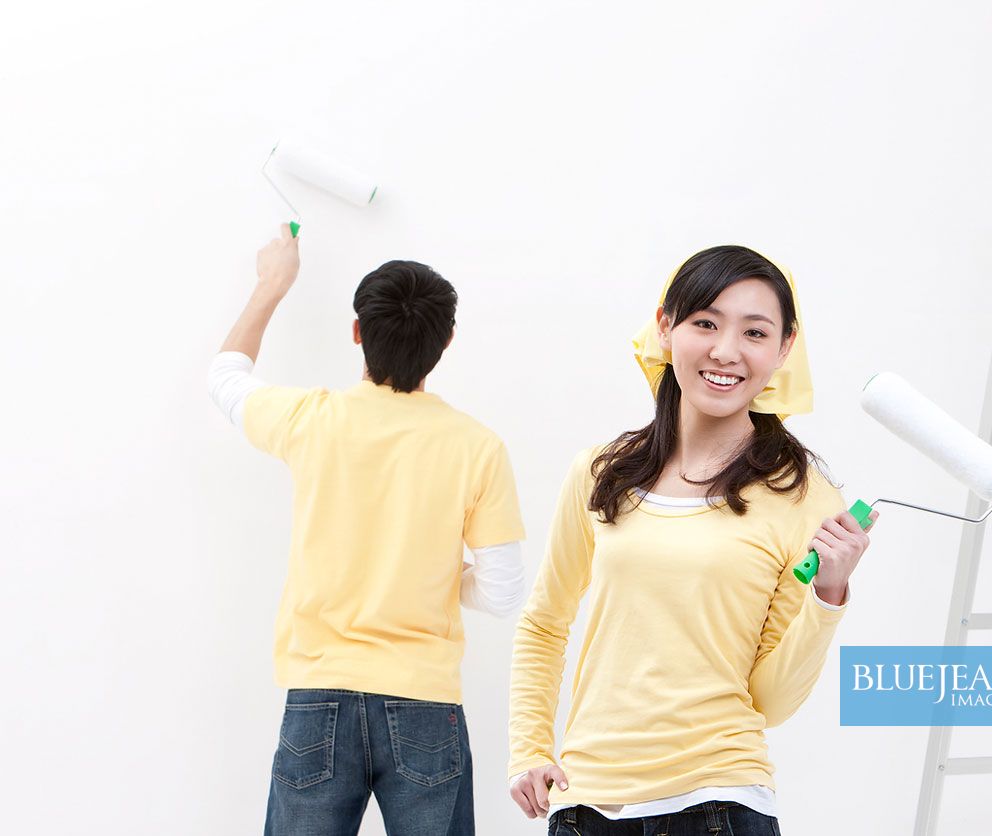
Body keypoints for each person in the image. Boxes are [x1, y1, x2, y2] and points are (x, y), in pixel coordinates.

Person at [506, 245, 878, 835]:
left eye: (755, 332)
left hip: (719, 804)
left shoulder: (805, 500)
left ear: (784, 348)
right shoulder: (600, 472)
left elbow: (772, 701)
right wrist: (529, 747)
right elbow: (545, 622)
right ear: (665, 327)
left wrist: (828, 593)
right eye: (705, 323)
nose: (726, 351)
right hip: (586, 807)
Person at [209, 226, 526, 836]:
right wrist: (436, 570)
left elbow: (224, 378)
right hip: (426, 703)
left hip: (318, 695)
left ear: (358, 332)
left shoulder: (311, 420)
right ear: (446, 342)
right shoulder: (477, 447)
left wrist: (272, 283)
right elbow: (504, 592)